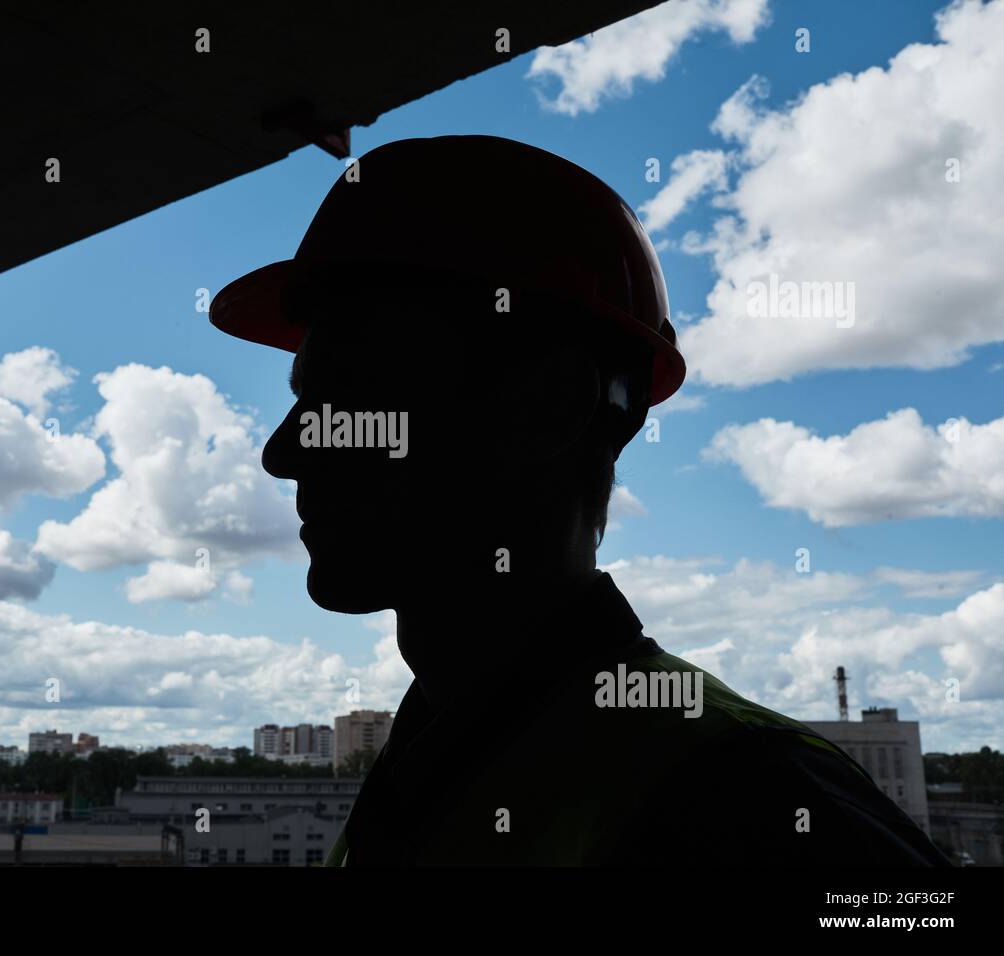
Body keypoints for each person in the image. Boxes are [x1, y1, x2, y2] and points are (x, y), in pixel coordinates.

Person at [210, 135, 949, 866]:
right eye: (304, 399)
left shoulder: (754, 806)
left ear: (546, 407)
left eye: (348, 396)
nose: (284, 451)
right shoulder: (429, 769)